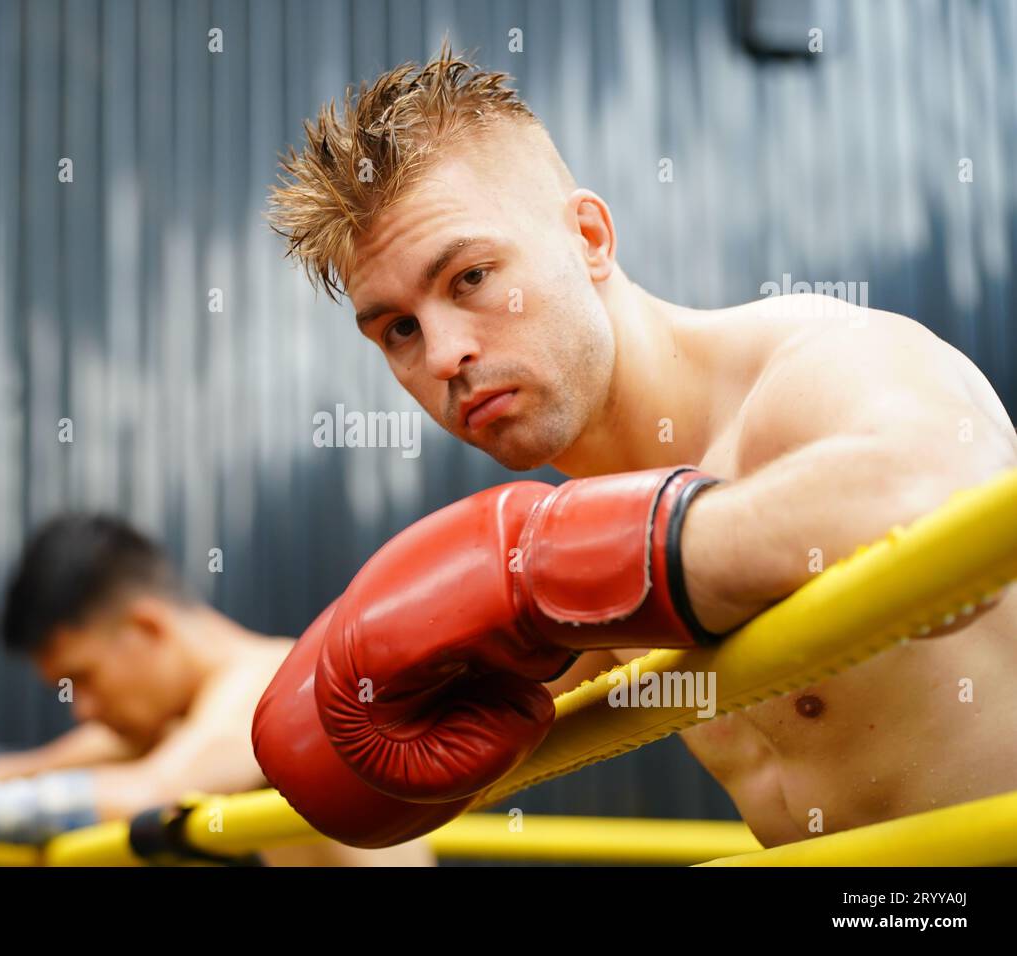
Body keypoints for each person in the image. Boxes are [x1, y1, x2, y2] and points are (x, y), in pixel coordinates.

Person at [253, 44, 1017, 849]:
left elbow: (942, 503)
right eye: (398, 329)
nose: (443, 355)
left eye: (471, 278)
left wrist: (564, 565)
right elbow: (369, 755)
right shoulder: (579, 565)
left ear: (589, 237)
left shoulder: (819, 370)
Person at [0, 515, 433, 867]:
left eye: (88, 678)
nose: (85, 706)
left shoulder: (270, 686)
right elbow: (46, 765)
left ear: (145, 627)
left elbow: (146, 794)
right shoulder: (175, 720)